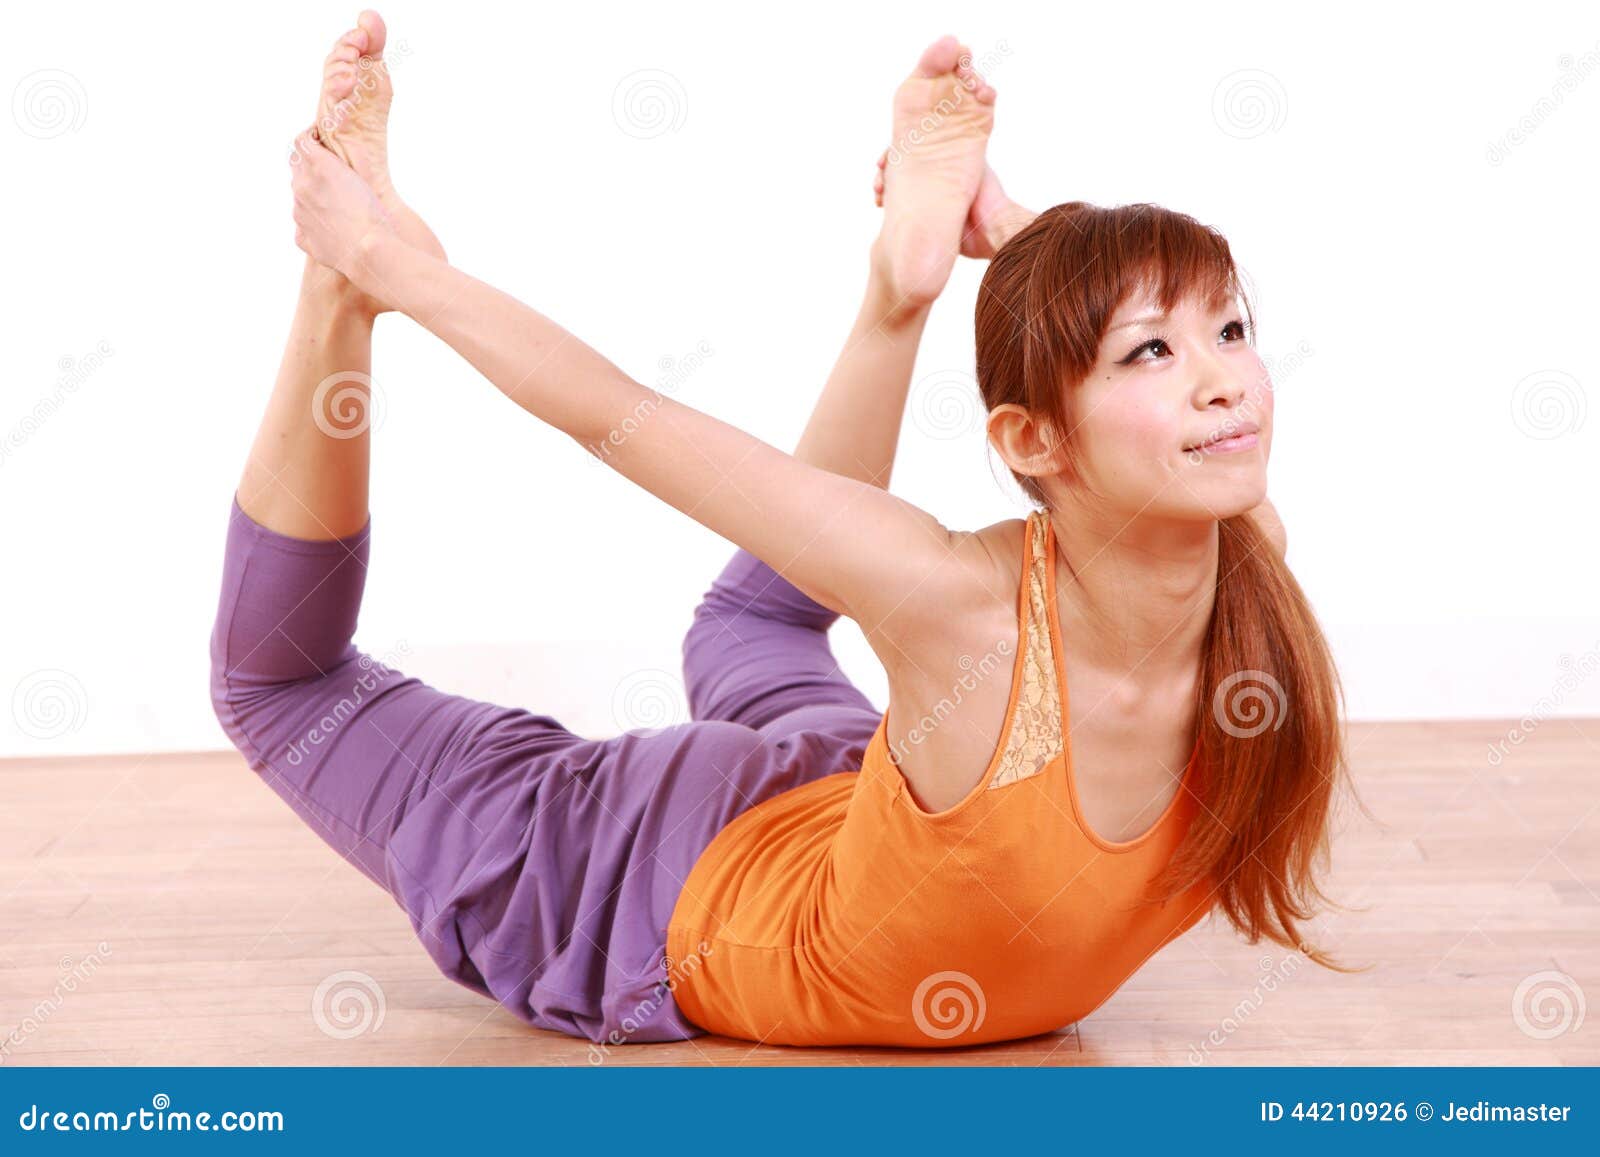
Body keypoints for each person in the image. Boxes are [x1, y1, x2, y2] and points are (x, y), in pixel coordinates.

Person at [212, 9, 1353, 1050]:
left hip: (842, 795)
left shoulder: (1246, 570)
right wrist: (382, 266)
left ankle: (898, 292)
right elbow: (619, 414)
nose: (1225, 382)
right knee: (280, 688)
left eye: (1232, 328)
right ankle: (330, 306)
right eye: (1154, 349)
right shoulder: (965, 616)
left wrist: (1005, 233)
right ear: (1030, 440)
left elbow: (1113, 401)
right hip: (655, 869)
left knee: (756, 621)